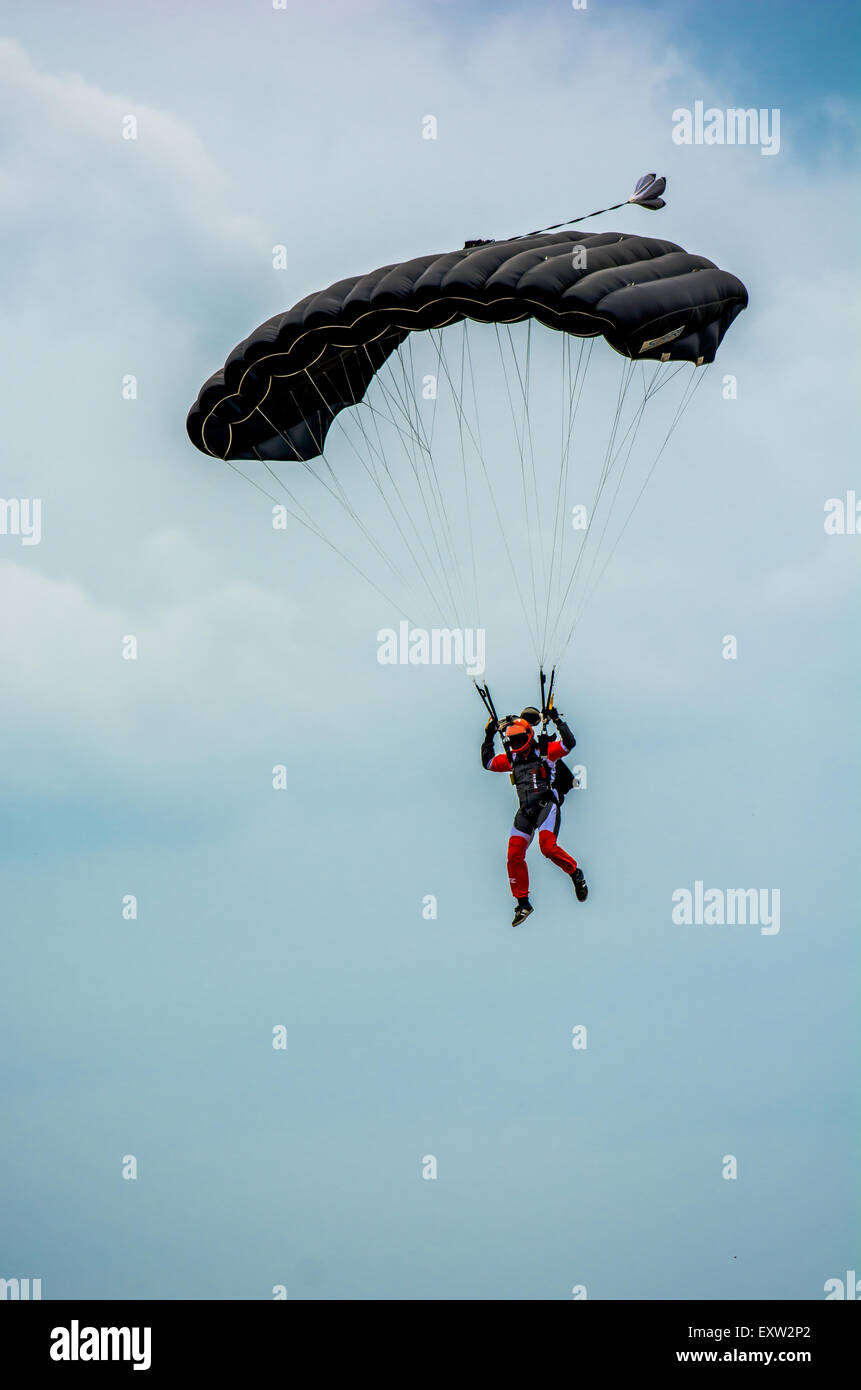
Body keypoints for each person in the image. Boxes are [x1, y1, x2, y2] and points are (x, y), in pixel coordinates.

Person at [481, 706, 588, 926]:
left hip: (545, 805)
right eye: (512, 742)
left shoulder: (546, 753)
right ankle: (523, 903)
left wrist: (557, 719)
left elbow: (569, 743)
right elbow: (489, 763)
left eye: (519, 740)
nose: (515, 745)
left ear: (528, 737)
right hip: (525, 812)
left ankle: (575, 873)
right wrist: (489, 734)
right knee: (513, 855)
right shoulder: (513, 759)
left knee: (547, 848)